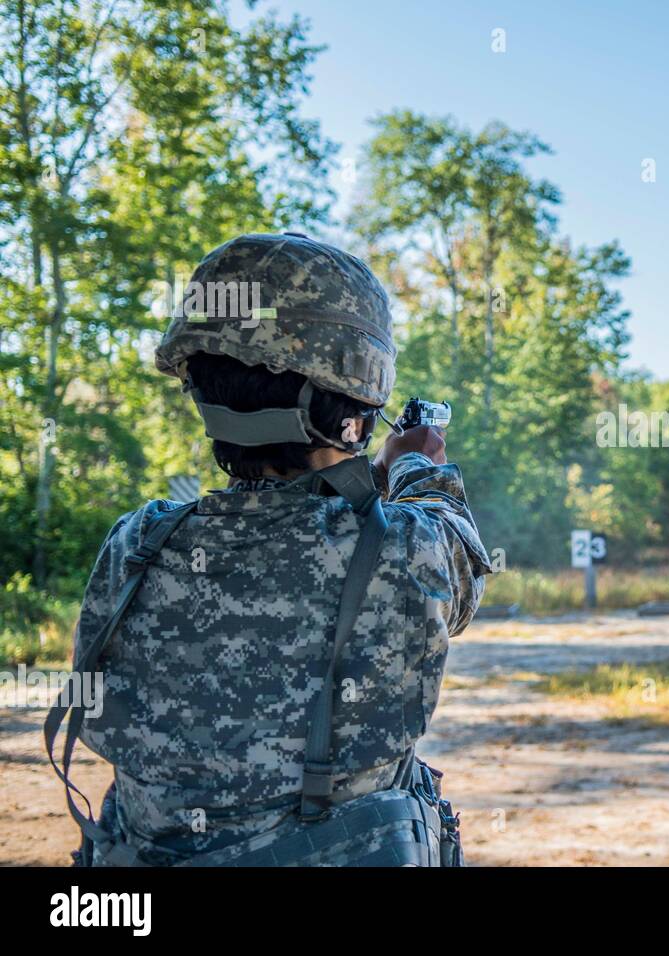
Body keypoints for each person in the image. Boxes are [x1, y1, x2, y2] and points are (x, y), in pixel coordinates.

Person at [45, 233, 491, 866]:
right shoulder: (402, 545)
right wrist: (418, 466)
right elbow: (461, 563)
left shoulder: (138, 542)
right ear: (355, 415)